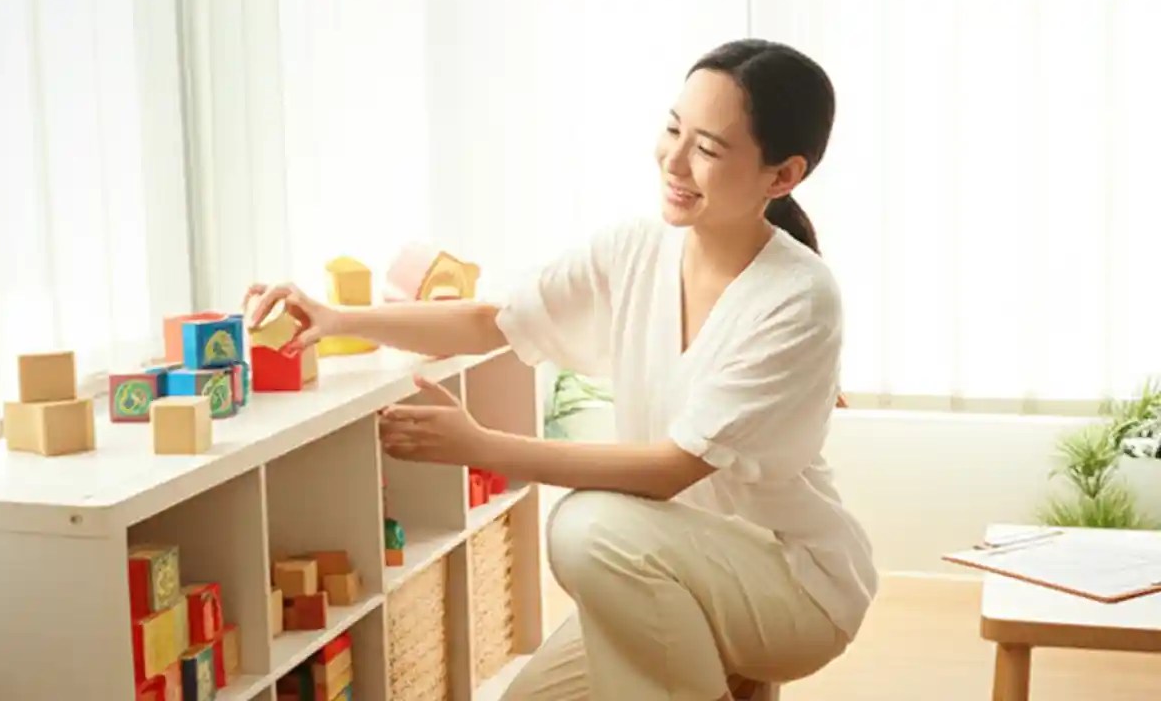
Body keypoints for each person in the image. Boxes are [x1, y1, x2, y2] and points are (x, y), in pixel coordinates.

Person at [246, 39, 877, 701]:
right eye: (673, 129)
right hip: (667, 574)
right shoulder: (637, 248)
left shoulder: (801, 296)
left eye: (709, 149)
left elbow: (671, 468)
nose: (674, 159)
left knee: (585, 526)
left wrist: (481, 448)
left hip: (791, 585)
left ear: (782, 177)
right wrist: (337, 319)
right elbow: (496, 319)